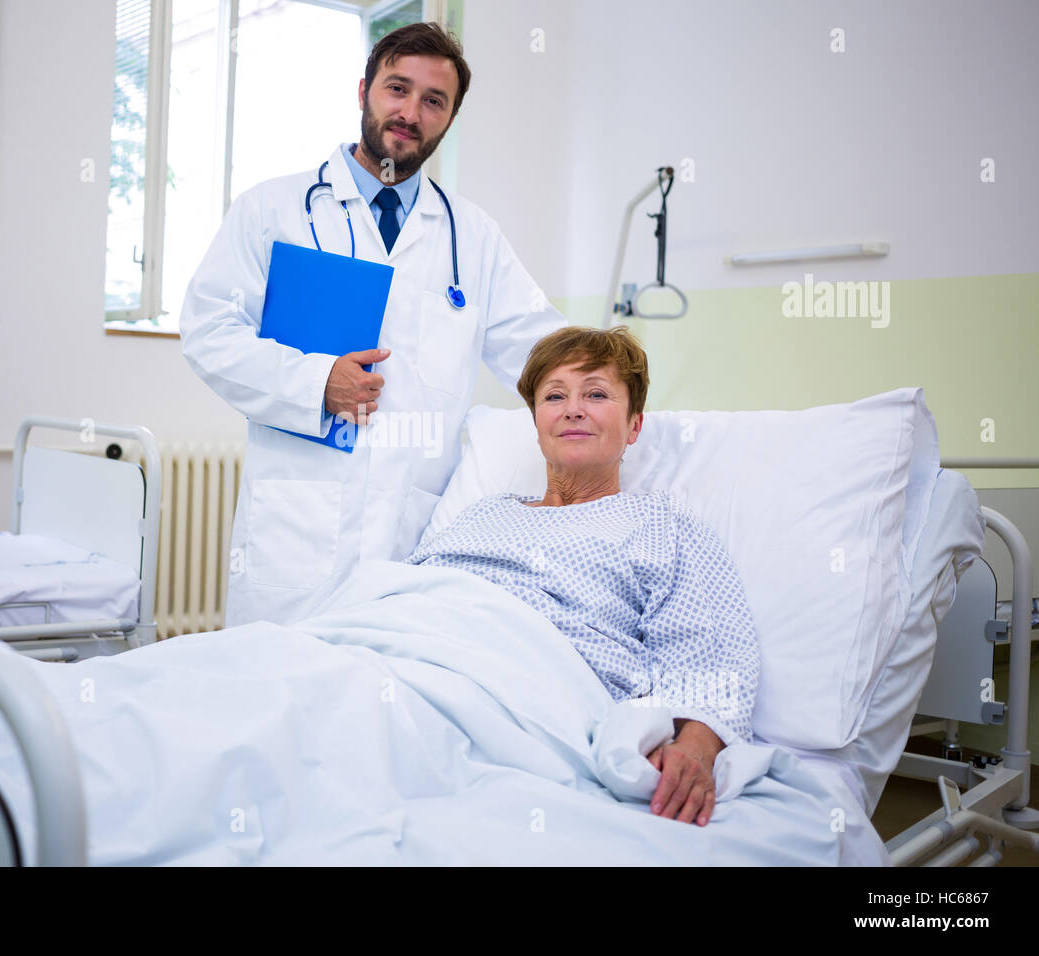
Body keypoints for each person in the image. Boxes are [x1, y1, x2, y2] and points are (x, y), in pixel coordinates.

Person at [179, 21, 566, 628]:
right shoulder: (274, 209)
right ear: (364, 91)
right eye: (397, 89)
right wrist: (316, 383)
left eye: (433, 100)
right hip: (295, 528)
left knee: (381, 709)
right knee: (272, 699)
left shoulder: (473, 237)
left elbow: (544, 352)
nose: (410, 111)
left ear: (449, 118)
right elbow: (208, 331)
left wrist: (610, 393)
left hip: (407, 539)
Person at [405, 325, 761, 827]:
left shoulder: (662, 525)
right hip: (413, 663)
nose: (573, 408)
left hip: (528, 699)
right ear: (536, 423)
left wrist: (697, 746)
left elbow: (711, 649)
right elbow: (405, 597)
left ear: (634, 426)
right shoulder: (482, 513)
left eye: (596, 393)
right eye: (555, 396)